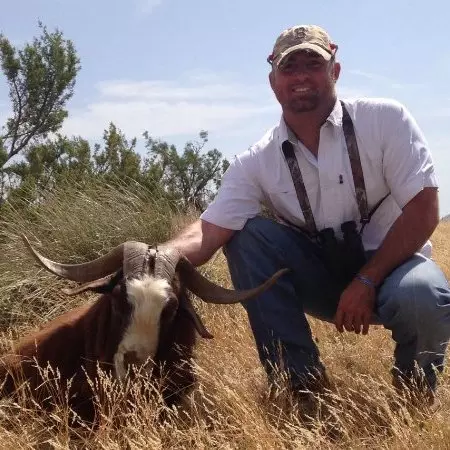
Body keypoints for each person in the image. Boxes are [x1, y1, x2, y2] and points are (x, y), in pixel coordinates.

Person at [164, 24, 450, 403]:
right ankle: (302, 391)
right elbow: (210, 229)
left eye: (313, 63)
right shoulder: (257, 160)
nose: (300, 76)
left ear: (335, 71)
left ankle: (413, 400)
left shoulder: (385, 119)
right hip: (320, 276)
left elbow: (424, 207)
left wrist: (366, 280)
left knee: (424, 295)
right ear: (273, 81)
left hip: (392, 271)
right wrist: (153, 260)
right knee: (246, 237)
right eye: (289, 66)